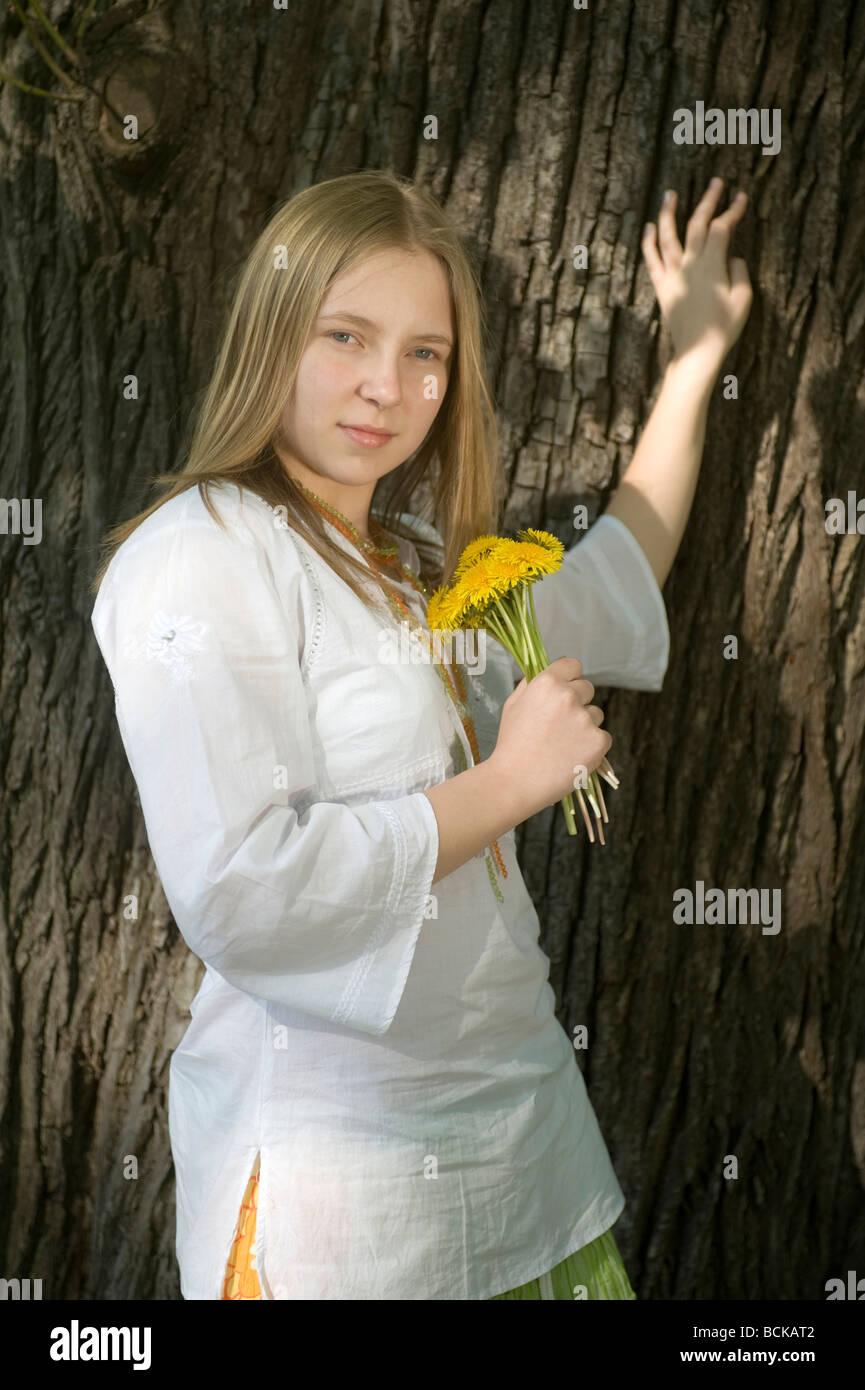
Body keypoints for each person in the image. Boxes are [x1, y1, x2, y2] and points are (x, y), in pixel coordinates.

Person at [89, 169, 751, 1300]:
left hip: (529, 1166)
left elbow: (613, 576)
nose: (384, 387)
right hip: (343, 1219)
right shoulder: (198, 554)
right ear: (272, 333)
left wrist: (694, 359)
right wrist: (508, 783)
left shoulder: (413, 565)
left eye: (425, 354)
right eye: (345, 335)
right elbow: (244, 889)